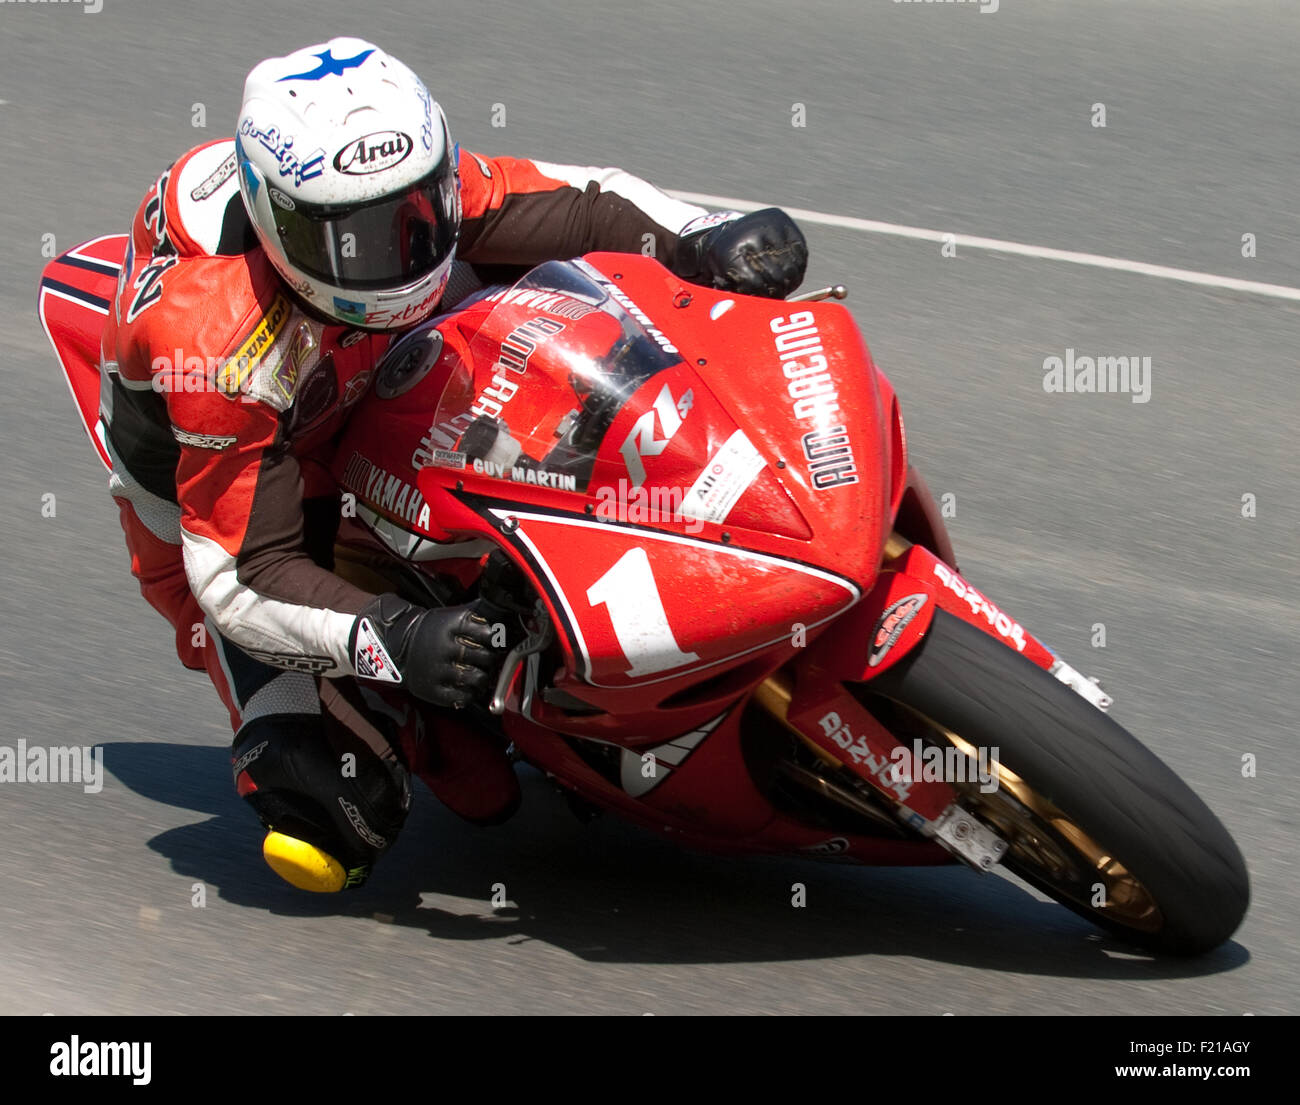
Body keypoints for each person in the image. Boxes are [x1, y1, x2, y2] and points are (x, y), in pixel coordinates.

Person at [99, 36, 808, 892]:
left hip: (373, 371)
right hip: (238, 487)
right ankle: (406, 713)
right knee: (351, 805)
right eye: (358, 239)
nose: (400, 253)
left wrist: (706, 234)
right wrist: (391, 638)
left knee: (577, 364)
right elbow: (243, 576)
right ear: (282, 224)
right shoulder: (216, 346)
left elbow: (579, 199)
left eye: (415, 214)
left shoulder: (391, 178)